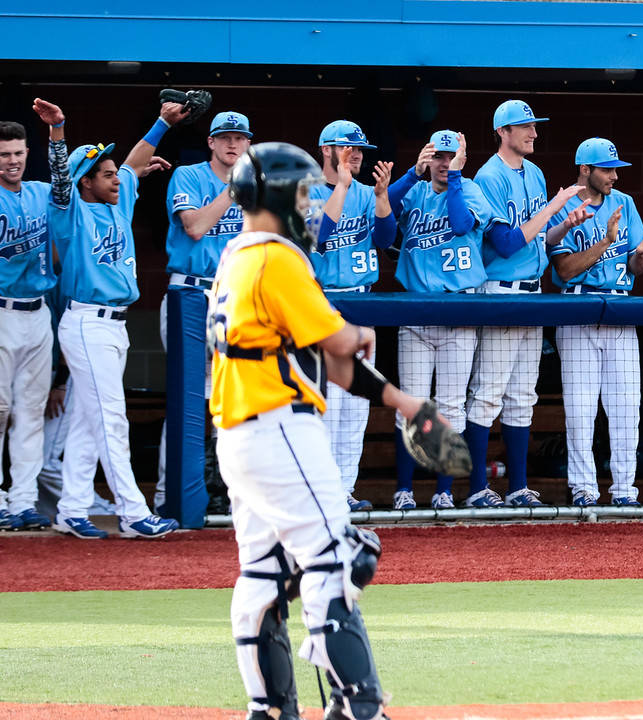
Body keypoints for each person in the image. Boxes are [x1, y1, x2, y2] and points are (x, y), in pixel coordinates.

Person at [212, 141, 423, 720]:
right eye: (303, 193)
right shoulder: (278, 257)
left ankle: (270, 707)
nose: (309, 205)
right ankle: (361, 707)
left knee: (262, 571)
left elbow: (327, 357)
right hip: (280, 426)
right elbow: (337, 344)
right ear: (278, 195)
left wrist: (400, 401)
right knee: (339, 558)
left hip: (239, 437)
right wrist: (355, 332)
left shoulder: (236, 254)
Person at [50, 99, 182, 540]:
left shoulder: (118, 202)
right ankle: (132, 512)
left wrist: (162, 123)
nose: (115, 177)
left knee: (90, 420)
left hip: (115, 324)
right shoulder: (70, 213)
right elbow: (60, 183)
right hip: (87, 320)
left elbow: (133, 162)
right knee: (111, 417)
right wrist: (58, 132)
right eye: (103, 174)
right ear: (84, 183)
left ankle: (71, 508)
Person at [464, 99, 581, 508]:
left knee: (522, 395)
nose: (534, 132)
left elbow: (538, 240)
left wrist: (565, 224)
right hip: (499, 291)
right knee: (488, 394)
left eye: (534, 125)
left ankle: (516, 487)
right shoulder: (487, 176)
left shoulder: (535, 173)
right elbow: (507, 241)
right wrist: (556, 205)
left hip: (533, 290)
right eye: (525, 126)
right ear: (503, 132)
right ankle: (478, 488)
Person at [548, 138, 643, 505]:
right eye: (607, 169)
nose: (614, 176)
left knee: (626, 408)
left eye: (616, 169)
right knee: (581, 410)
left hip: (619, 308)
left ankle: (624, 491)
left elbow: (634, 266)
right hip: (578, 309)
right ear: (585, 170)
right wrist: (606, 243)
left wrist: (642, 255)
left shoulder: (625, 202)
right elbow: (564, 270)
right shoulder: (564, 205)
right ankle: (583, 489)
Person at [387, 130, 495, 510]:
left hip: (459, 308)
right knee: (414, 406)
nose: (444, 163)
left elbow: (462, 224)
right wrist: (410, 175)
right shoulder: (414, 189)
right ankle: (404, 490)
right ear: (427, 157)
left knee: (450, 406)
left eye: (451, 156)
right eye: (438, 155)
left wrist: (457, 179)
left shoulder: (470, 190)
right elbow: (381, 221)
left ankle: (444, 491)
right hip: (417, 310)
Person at [155, 110, 251, 511]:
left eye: (240, 138)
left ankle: (223, 491)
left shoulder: (258, 187)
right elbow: (194, 226)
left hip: (234, 297)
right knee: (189, 398)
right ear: (211, 142)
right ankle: (169, 494)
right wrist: (233, 188)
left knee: (232, 400)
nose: (233, 144)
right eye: (225, 137)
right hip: (190, 296)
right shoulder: (189, 175)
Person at [310, 120, 396, 511]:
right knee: (326, 404)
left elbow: (384, 240)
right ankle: (323, 492)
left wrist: (381, 199)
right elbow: (319, 236)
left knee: (357, 406)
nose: (358, 154)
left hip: (362, 304)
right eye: (349, 148)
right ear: (326, 150)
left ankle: (344, 491)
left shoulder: (365, 192)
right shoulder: (305, 191)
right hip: (323, 306)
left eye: (360, 148)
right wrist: (342, 186)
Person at [0, 99, 66, 532]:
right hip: (1, 310)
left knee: (30, 410)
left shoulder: (42, 192)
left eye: (18, 153)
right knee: (0, 407)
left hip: (37, 313)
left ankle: (23, 501)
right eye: (4, 154)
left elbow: (64, 185)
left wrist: (56, 132)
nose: (12, 162)